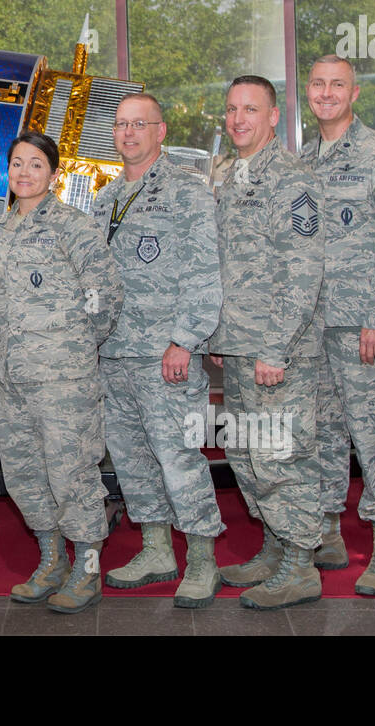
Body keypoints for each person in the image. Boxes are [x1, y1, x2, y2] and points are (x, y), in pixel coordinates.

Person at [92, 94, 224, 608]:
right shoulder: (105, 198)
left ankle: (202, 559)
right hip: (114, 352)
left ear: (161, 130)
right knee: (130, 457)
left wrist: (185, 340)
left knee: (177, 457)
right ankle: (155, 548)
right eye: (121, 124)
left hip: (165, 353)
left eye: (139, 124)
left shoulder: (188, 192)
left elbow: (204, 271)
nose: (129, 133)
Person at [0, 131, 123, 614]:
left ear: (54, 173)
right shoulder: (2, 228)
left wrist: (75, 348)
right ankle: (50, 563)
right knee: (25, 474)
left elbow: (105, 297)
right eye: (16, 163)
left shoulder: (74, 227)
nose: (24, 173)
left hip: (63, 379)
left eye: (36, 165)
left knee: (71, 475)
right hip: (11, 377)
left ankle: (87, 569)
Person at [300, 55, 375, 596]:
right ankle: (328, 528)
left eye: (337, 85)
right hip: (313, 325)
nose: (326, 93)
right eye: (319, 83)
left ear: (355, 93)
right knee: (322, 429)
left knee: (373, 434)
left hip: (363, 325)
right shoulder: (302, 159)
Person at [209, 75, 325, 611]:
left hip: (277, 352)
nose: (238, 120)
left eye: (250, 110)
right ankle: (275, 547)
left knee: (280, 454)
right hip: (238, 348)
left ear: (274, 117)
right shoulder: (229, 176)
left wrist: (275, 348)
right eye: (232, 109)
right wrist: (218, 332)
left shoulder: (292, 180)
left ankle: (301, 565)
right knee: (247, 454)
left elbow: (301, 273)